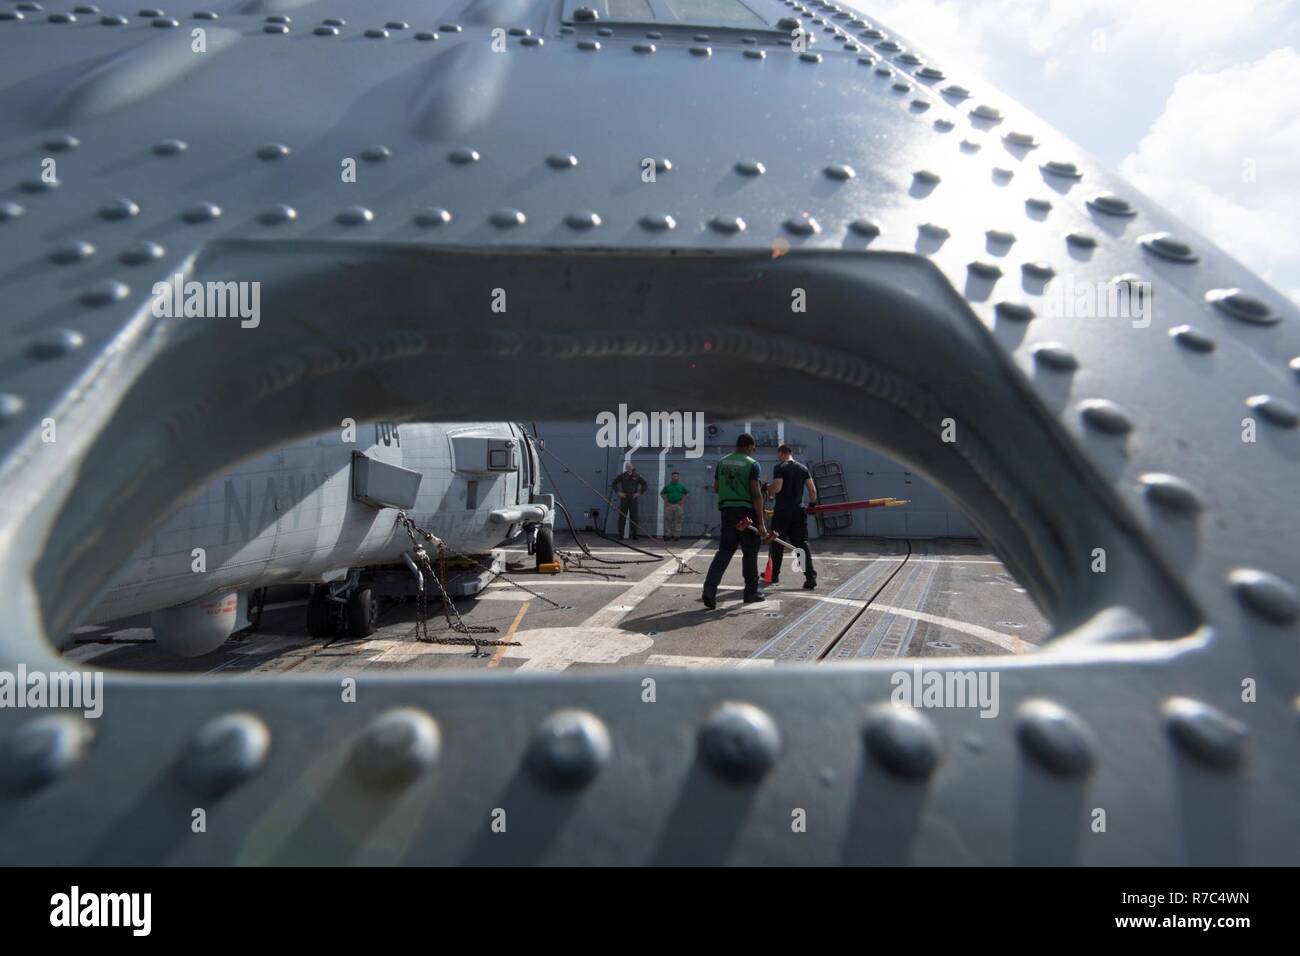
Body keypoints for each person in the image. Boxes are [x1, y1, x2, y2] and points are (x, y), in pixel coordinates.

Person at [702, 434, 772, 608]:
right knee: (750, 553)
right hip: (747, 513)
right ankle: (751, 592)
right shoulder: (752, 464)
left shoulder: (722, 462)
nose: (753, 451)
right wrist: (762, 524)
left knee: (724, 551)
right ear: (748, 446)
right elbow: (756, 494)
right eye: (753, 448)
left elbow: (717, 487)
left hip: (727, 512)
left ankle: (709, 589)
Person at [767, 443, 818, 589]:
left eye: (778, 455)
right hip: (798, 511)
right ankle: (810, 577)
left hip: (782, 511)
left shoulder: (780, 467)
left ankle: (774, 575)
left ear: (782, 453)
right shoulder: (803, 468)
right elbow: (812, 491)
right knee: (801, 544)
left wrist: (767, 489)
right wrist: (812, 505)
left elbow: (777, 487)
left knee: (777, 542)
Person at [610, 461, 647, 539]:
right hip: (624, 498)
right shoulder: (622, 476)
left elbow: (645, 484)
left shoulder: (637, 476)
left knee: (634, 517)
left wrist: (639, 493)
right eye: (627, 467)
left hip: (633, 498)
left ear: (632, 467)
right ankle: (621, 535)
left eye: (630, 466)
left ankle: (634, 535)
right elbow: (614, 483)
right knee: (622, 517)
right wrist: (618, 492)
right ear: (625, 468)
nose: (628, 468)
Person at [660, 471, 689, 540]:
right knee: (668, 521)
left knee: (678, 521)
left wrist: (682, 501)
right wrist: (666, 501)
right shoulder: (668, 486)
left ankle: (676, 536)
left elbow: (687, 493)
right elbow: (662, 493)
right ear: (671, 477)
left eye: (676, 476)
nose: (675, 478)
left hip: (678, 506)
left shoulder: (681, 486)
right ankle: (667, 535)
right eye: (674, 476)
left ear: (678, 477)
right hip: (669, 505)